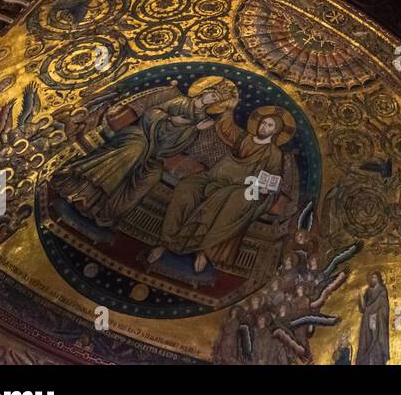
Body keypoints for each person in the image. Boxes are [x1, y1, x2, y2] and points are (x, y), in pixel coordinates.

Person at [55, 76, 239, 226]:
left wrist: (194, 129)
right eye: (213, 94)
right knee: (134, 150)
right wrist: (171, 121)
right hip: (140, 135)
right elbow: (151, 115)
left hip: (155, 153)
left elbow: (178, 146)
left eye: (217, 100)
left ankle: (106, 212)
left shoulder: (202, 121)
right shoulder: (179, 100)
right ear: (205, 90)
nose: (212, 99)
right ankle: (82, 191)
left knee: (152, 174)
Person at [149, 104, 294, 273]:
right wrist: (229, 109)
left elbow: (274, 177)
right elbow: (225, 129)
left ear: (276, 130)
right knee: (187, 187)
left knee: (234, 199)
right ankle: (165, 241)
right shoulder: (244, 138)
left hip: (245, 187)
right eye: (263, 123)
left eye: (270, 125)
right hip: (215, 177)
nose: (264, 127)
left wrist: (264, 188)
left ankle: (204, 250)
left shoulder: (274, 153)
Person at [356, 271, 390, 365]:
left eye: (375, 277)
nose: (373, 279)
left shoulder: (382, 290)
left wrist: (369, 310)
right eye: (371, 278)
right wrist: (360, 296)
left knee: (376, 340)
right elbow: (363, 308)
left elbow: (381, 304)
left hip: (377, 319)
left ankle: (377, 361)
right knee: (368, 340)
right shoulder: (368, 291)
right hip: (368, 320)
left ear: (379, 279)